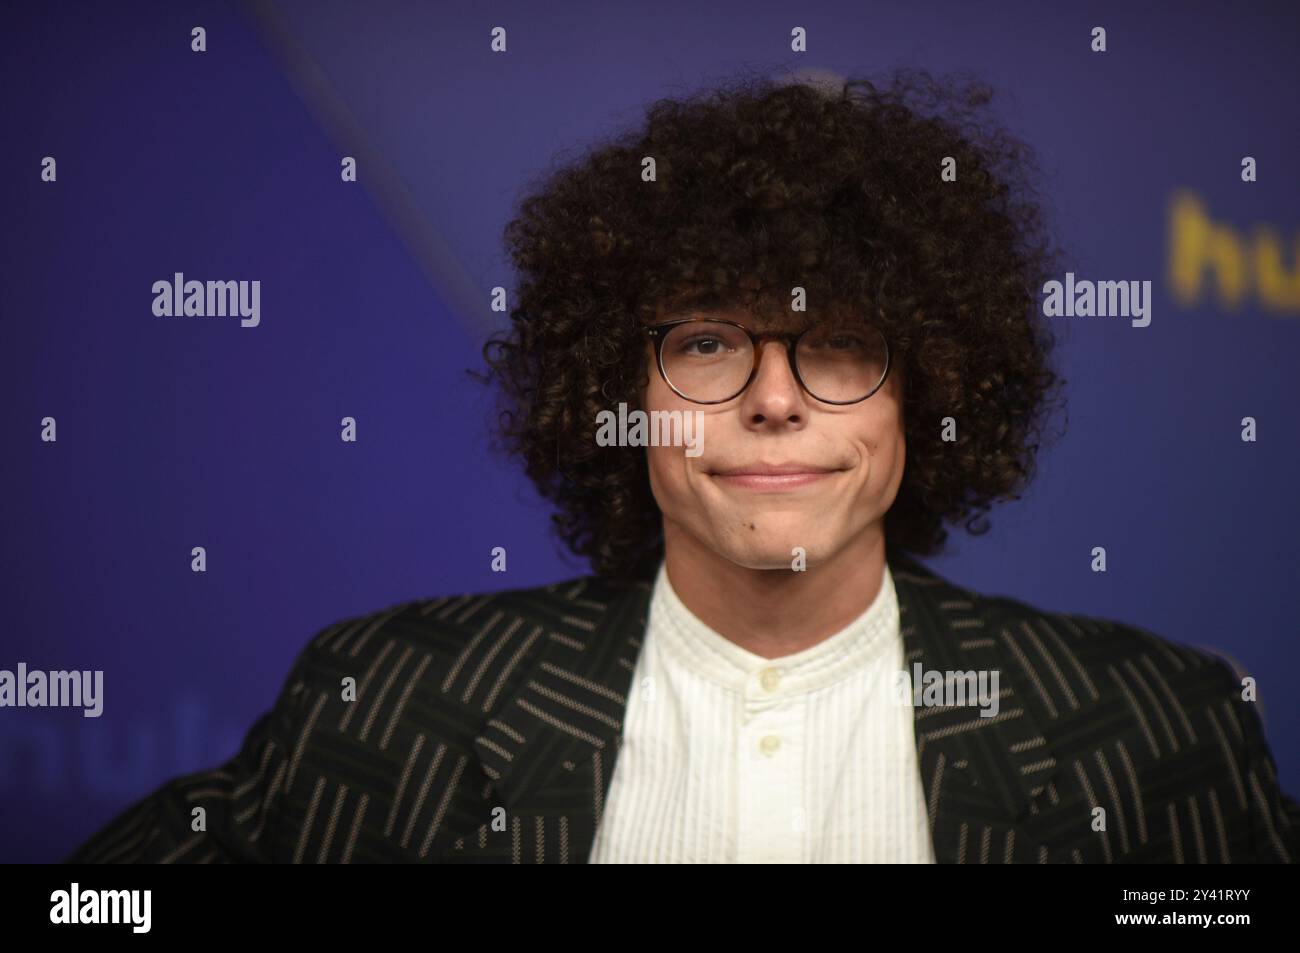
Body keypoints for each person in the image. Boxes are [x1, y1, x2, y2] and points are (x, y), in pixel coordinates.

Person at [69, 68, 1298, 864]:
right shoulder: (378, 704)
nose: (773, 398)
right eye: (707, 342)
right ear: (616, 389)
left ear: (929, 388)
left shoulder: (1155, 731)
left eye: (838, 343)